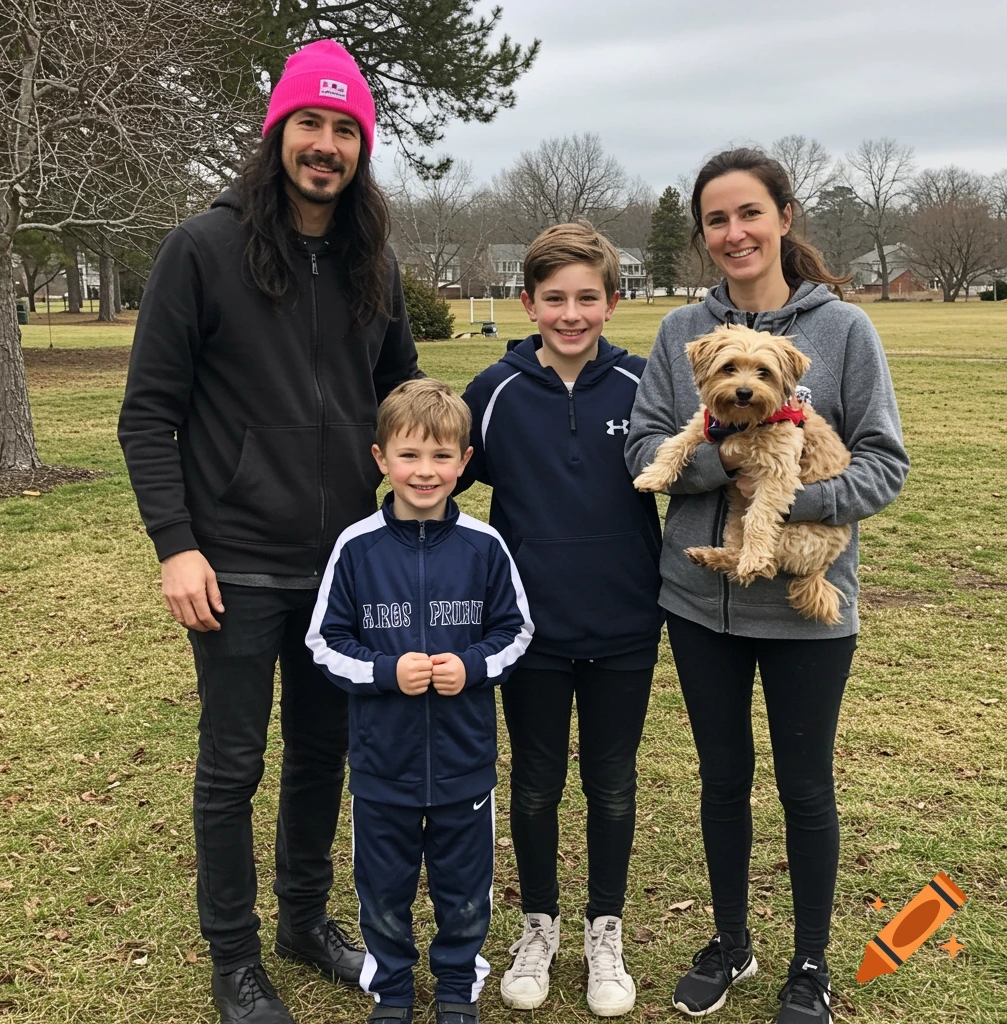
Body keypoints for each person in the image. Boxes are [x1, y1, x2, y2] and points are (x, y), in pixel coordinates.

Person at [117, 39, 422, 1024]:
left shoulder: (374, 258)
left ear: (360, 147)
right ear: (277, 132)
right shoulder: (200, 250)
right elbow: (146, 413)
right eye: (311, 124)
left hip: (341, 567)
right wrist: (176, 544)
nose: (326, 145)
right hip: (233, 565)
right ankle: (235, 960)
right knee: (233, 763)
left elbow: (402, 399)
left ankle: (301, 919)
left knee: (321, 750)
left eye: (345, 129)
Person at [624, 148, 909, 1024]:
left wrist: (784, 502)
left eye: (750, 213)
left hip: (804, 612)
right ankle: (732, 942)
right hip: (698, 603)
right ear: (704, 233)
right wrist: (720, 465)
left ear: (785, 216)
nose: (734, 232)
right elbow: (645, 455)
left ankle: (812, 963)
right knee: (721, 780)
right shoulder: (680, 333)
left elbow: (885, 467)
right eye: (716, 219)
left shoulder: (845, 330)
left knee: (805, 786)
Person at [457, 222, 664, 1017]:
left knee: (611, 783)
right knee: (537, 784)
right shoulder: (495, 390)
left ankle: (603, 930)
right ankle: (537, 926)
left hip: (625, 624)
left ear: (613, 301)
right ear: (528, 303)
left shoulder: (643, 385)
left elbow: (703, 466)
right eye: (554, 299)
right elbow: (439, 472)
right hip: (527, 632)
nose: (571, 314)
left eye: (587, 297)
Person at [306, 378, 533, 1024]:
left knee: (465, 890)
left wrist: (472, 666)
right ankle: (395, 988)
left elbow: (516, 632)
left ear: (465, 464)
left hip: (465, 763)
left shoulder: (485, 548)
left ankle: (458, 988)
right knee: (383, 889)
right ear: (382, 459)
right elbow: (324, 641)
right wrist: (383, 672)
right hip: (383, 769)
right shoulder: (357, 548)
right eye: (409, 456)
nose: (425, 471)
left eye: (441, 457)